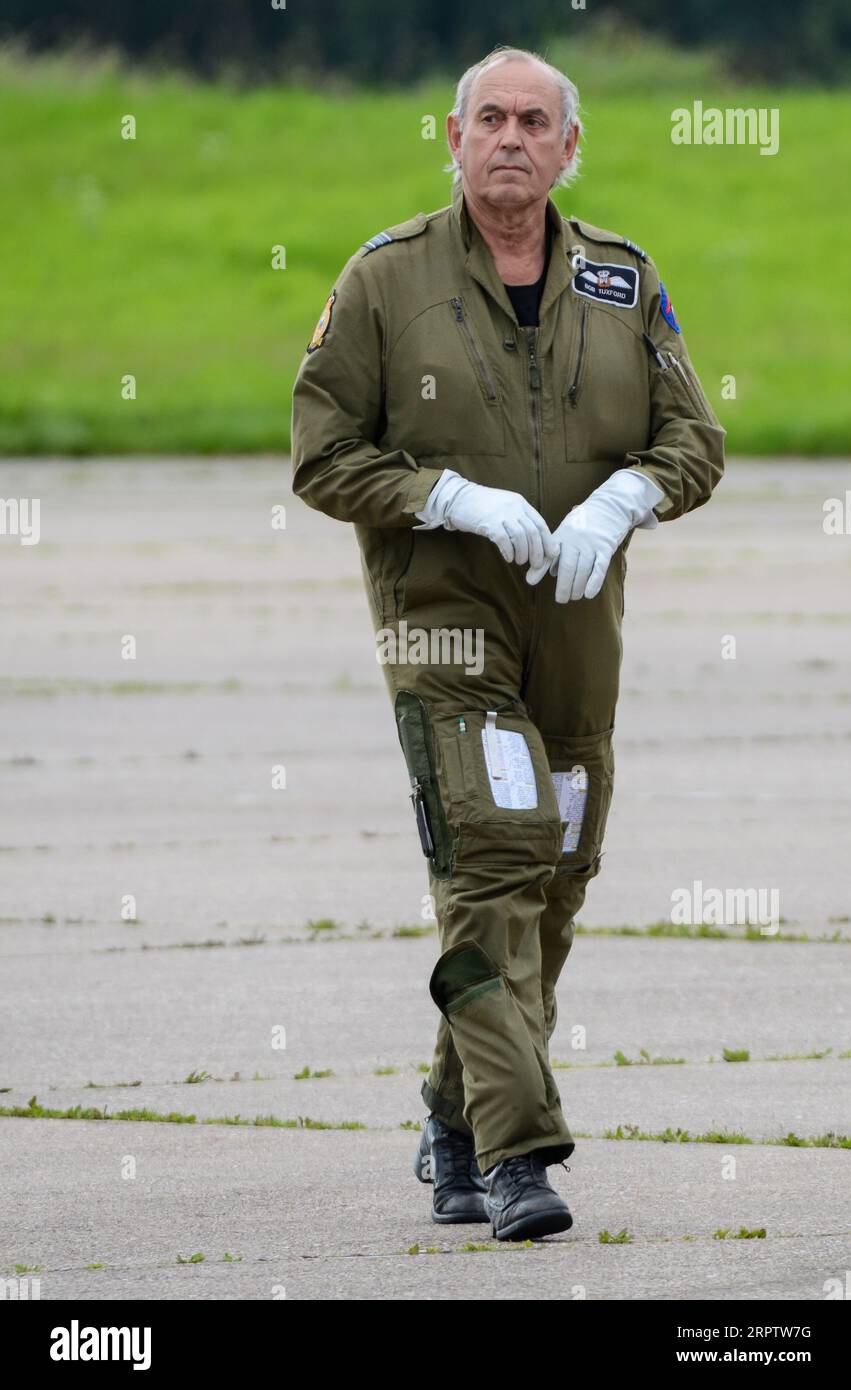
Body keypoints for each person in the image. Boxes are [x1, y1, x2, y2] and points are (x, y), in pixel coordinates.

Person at [291, 45, 725, 1241]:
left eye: (537, 121)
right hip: (444, 622)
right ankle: (517, 1154)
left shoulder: (623, 284)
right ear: (452, 134)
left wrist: (626, 499)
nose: (512, 139)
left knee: (556, 875)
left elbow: (698, 436)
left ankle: (450, 1108)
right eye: (491, 118)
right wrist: (446, 498)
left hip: (579, 627)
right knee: (495, 852)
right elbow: (321, 451)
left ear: (569, 147)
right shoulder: (385, 282)